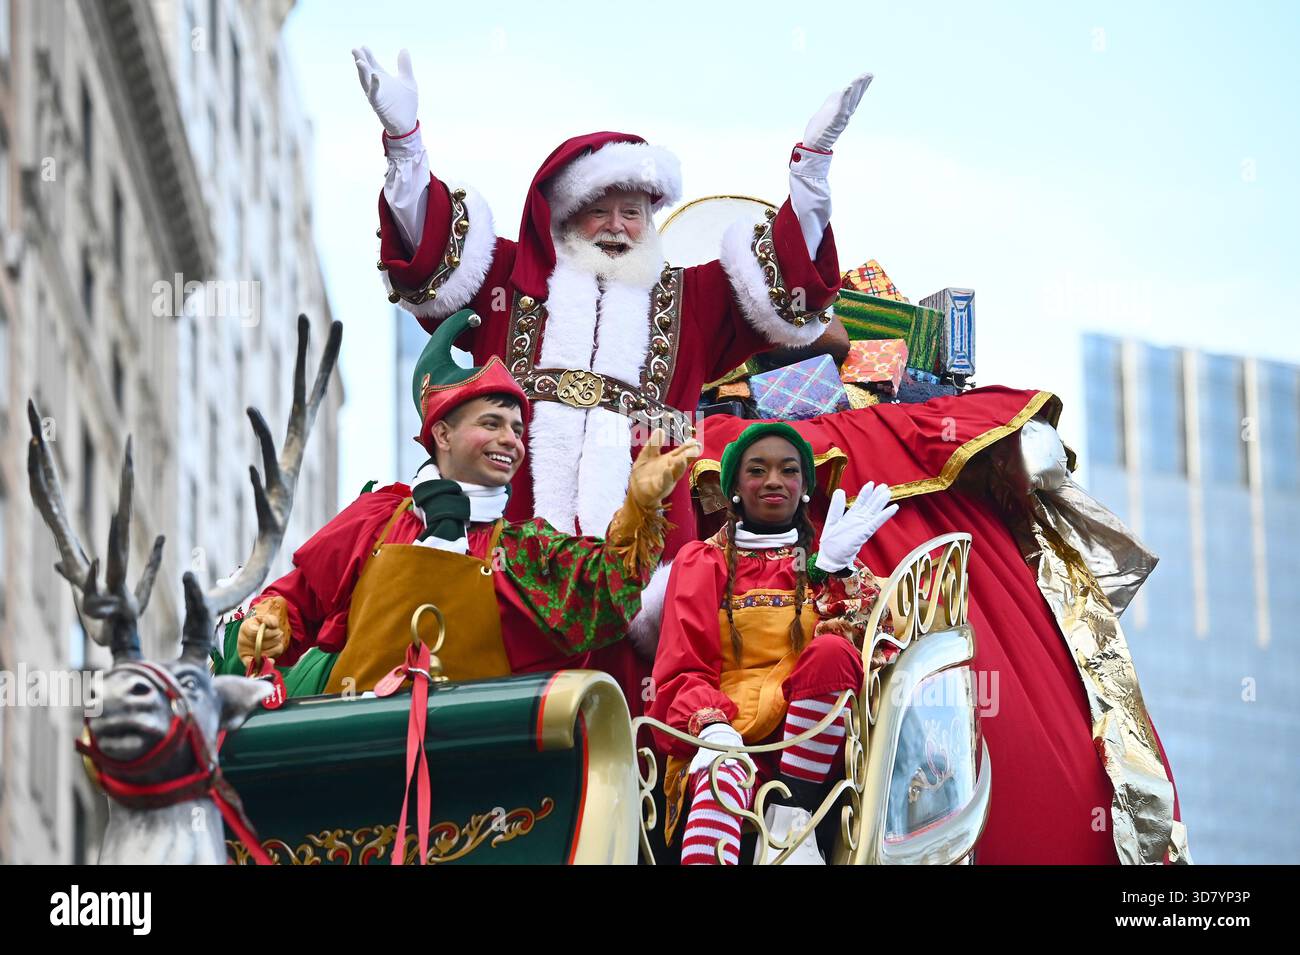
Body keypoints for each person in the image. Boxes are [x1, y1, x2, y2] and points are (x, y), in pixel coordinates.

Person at [354, 46, 867, 647]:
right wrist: (406, 145)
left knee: (650, 679)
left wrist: (810, 172)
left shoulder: (692, 297)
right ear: (567, 219)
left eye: (631, 212)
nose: (618, 226)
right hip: (518, 536)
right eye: (599, 212)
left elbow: (790, 281)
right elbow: (428, 252)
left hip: (648, 536)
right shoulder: (511, 282)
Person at [221, 310, 699, 708]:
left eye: (516, 428)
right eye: (492, 423)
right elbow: (298, 599)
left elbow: (608, 588)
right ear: (443, 434)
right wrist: (269, 623)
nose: (510, 440)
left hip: (475, 779)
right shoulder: (378, 519)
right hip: (352, 753)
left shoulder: (522, 549)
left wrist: (641, 504)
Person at [647, 422, 897, 864]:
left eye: (789, 470)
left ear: (804, 487)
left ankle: (791, 815)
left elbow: (871, 650)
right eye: (757, 471)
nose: (774, 481)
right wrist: (712, 726)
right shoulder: (702, 561)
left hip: (808, 749)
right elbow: (682, 666)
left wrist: (835, 571)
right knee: (724, 774)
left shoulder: (821, 560)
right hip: (726, 732)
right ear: (736, 489)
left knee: (832, 651)